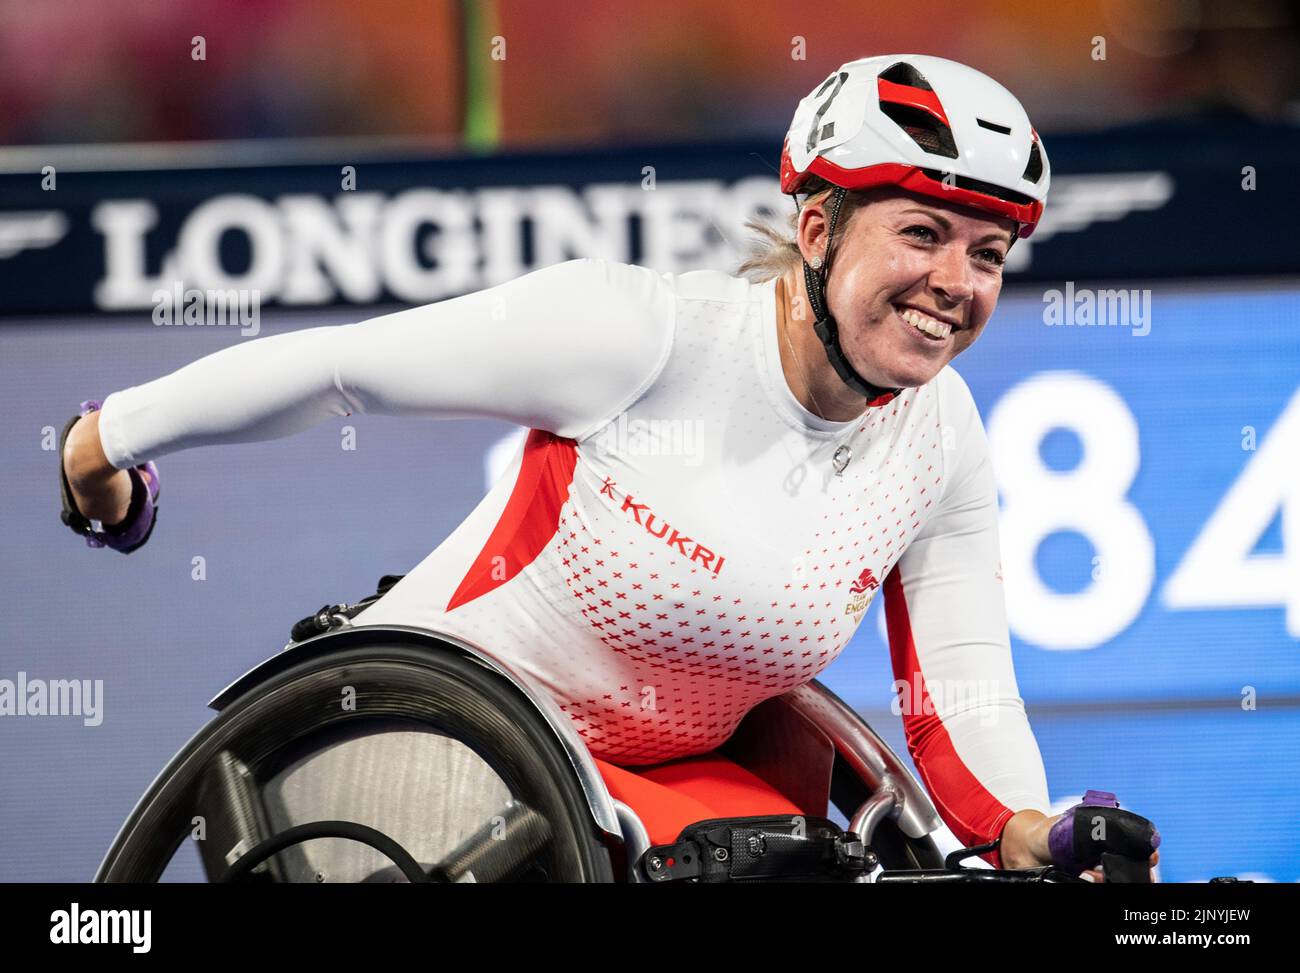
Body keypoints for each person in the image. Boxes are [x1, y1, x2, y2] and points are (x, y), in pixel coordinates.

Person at [60, 54, 1158, 879]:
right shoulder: (640, 333)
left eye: (987, 253)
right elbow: (342, 369)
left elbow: (958, 694)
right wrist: (107, 441)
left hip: (649, 797)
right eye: (921, 233)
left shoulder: (942, 433)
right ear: (818, 229)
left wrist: (1030, 832)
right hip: (406, 758)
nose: (953, 283)